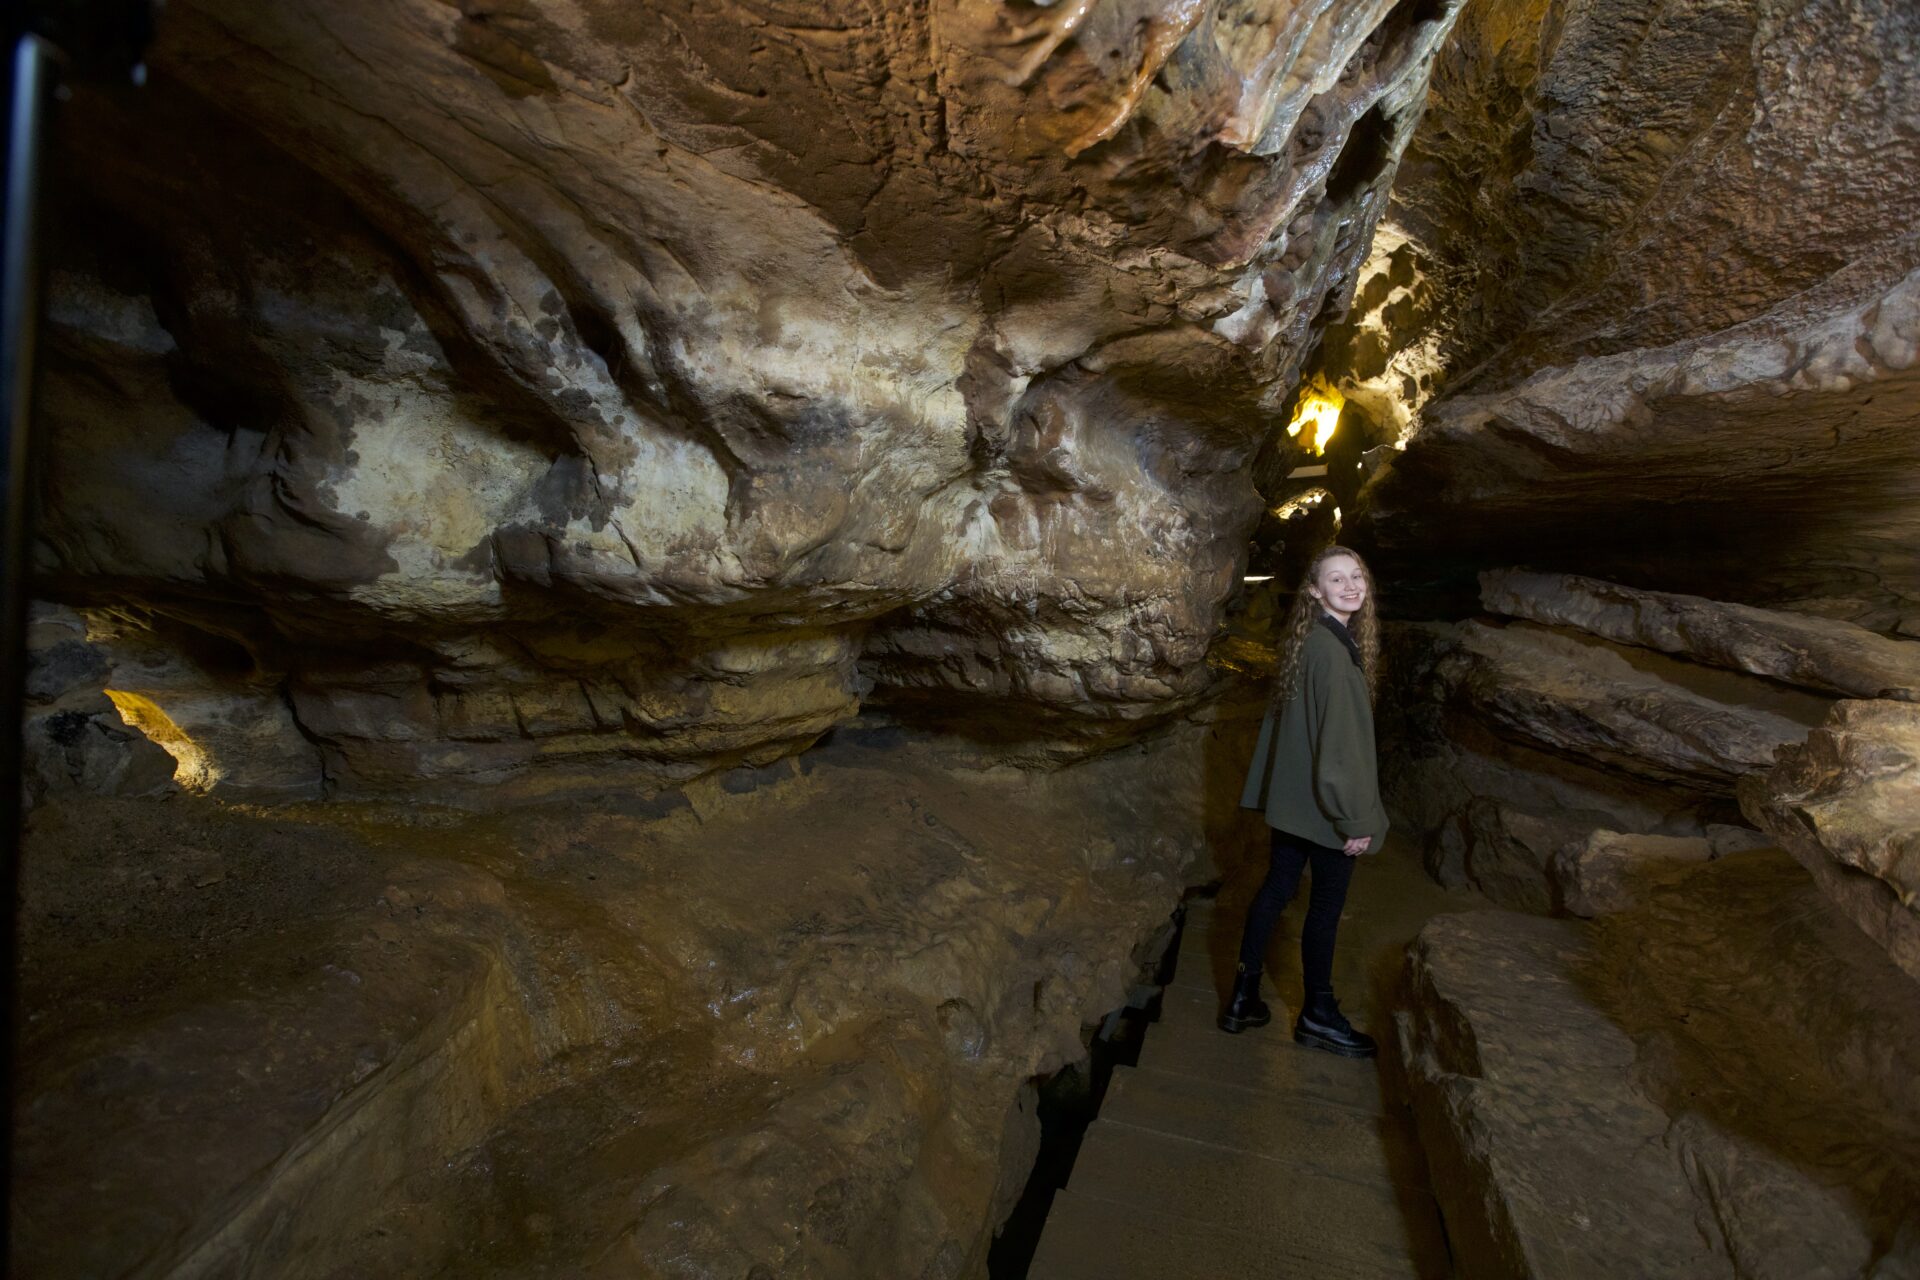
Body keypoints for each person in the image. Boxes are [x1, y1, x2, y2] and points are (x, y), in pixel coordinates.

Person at [1219, 544, 1387, 1058]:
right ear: (1315, 591)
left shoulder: (1309, 643)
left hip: (1294, 806)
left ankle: (1242, 997)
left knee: (1276, 889)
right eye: (1336, 579)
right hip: (1326, 812)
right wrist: (1356, 819)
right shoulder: (1333, 656)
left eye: (1356, 576)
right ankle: (1318, 1013)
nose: (1350, 586)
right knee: (1325, 910)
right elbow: (1339, 751)